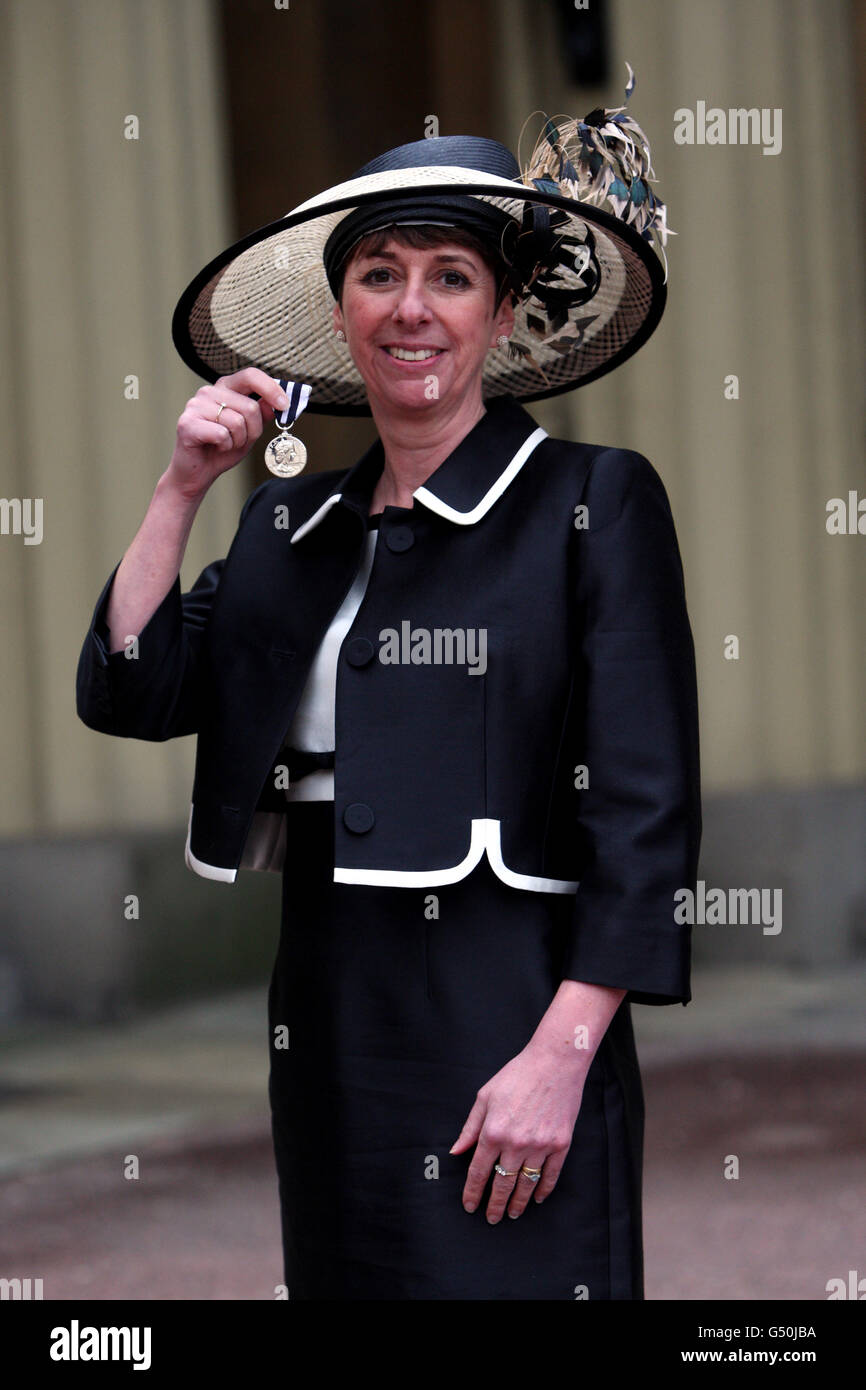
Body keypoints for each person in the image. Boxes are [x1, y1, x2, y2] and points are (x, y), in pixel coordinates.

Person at [77, 69, 701, 1300]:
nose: (411, 309)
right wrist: (182, 487)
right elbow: (134, 689)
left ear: (504, 309)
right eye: (379, 275)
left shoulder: (591, 504)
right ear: (342, 306)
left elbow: (643, 812)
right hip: (327, 1011)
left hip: (504, 1005)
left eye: (451, 277)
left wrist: (561, 1056)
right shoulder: (288, 524)